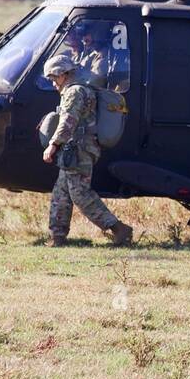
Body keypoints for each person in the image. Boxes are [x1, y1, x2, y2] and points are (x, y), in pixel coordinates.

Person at [41, 54, 134, 247]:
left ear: (64, 75)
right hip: (75, 149)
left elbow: (68, 121)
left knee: (80, 193)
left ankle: (119, 229)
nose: (53, 84)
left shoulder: (75, 92)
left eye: (53, 78)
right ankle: (57, 236)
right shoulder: (81, 89)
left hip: (79, 149)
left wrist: (53, 144)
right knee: (62, 192)